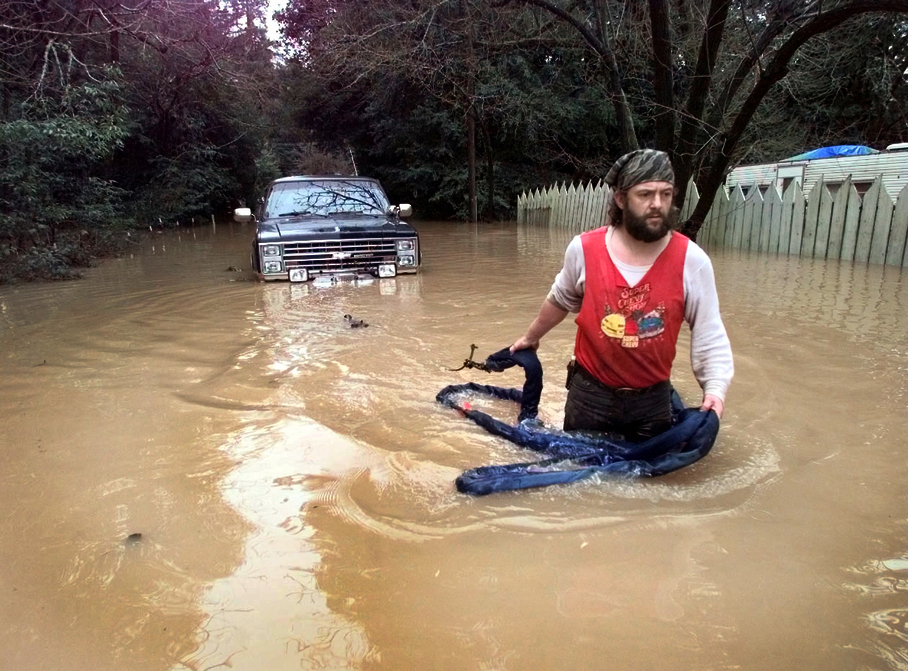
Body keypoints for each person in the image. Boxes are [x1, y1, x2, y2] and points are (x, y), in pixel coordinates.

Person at [510, 149, 733, 442]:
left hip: (653, 402)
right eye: (645, 194)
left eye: (666, 194)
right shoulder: (584, 249)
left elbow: (709, 332)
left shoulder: (693, 261)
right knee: (582, 476)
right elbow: (560, 300)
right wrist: (530, 337)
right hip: (590, 397)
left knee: (647, 482)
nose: (657, 204)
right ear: (620, 199)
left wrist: (714, 391)